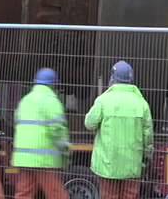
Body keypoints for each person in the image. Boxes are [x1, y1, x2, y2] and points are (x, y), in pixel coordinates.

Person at [83, 61, 153, 199]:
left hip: (108, 165)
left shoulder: (103, 100)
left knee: (109, 195)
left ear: (112, 78)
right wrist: (147, 156)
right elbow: (148, 135)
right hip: (132, 165)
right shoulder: (142, 103)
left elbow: (89, 124)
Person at [11, 67, 69, 199]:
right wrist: (65, 149)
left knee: (24, 194)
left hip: (24, 157)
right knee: (57, 194)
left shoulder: (25, 100)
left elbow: (17, 123)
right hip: (43, 159)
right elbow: (57, 129)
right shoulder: (51, 101)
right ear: (53, 84)